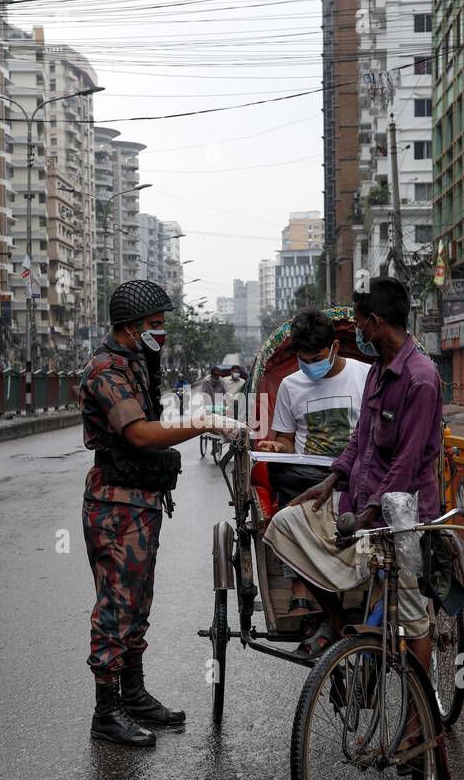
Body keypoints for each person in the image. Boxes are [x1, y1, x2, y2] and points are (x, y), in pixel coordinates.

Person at [80, 280, 246, 747]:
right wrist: (203, 423)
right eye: (155, 326)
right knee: (115, 608)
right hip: (116, 503)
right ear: (131, 328)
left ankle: (132, 696)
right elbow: (137, 433)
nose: (161, 333)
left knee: (138, 604)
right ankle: (106, 712)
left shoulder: (136, 362)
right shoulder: (106, 368)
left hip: (139, 501)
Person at [263, 277, 444, 668]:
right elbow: (360, 437)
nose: (358, 332)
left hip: (404, 513)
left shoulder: (420, 378)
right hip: (356, 496)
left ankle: (422, 724)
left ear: (376, 322)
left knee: (412, 619)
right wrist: (331, 481)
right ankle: (341, 624)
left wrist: (368, 513)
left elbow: (407, 463)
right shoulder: (379, 371)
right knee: (284, 523)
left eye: (361, 324)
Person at [256, 308, 371, 623]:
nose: (311, 366)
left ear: (334, 347)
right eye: (304, 361)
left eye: (317, 358)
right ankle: (302, 589)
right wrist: (276, 446)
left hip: (356, 476)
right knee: (279, 473)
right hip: (307, 477)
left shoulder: (365, 376)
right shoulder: (292, 386)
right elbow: (287, 441)